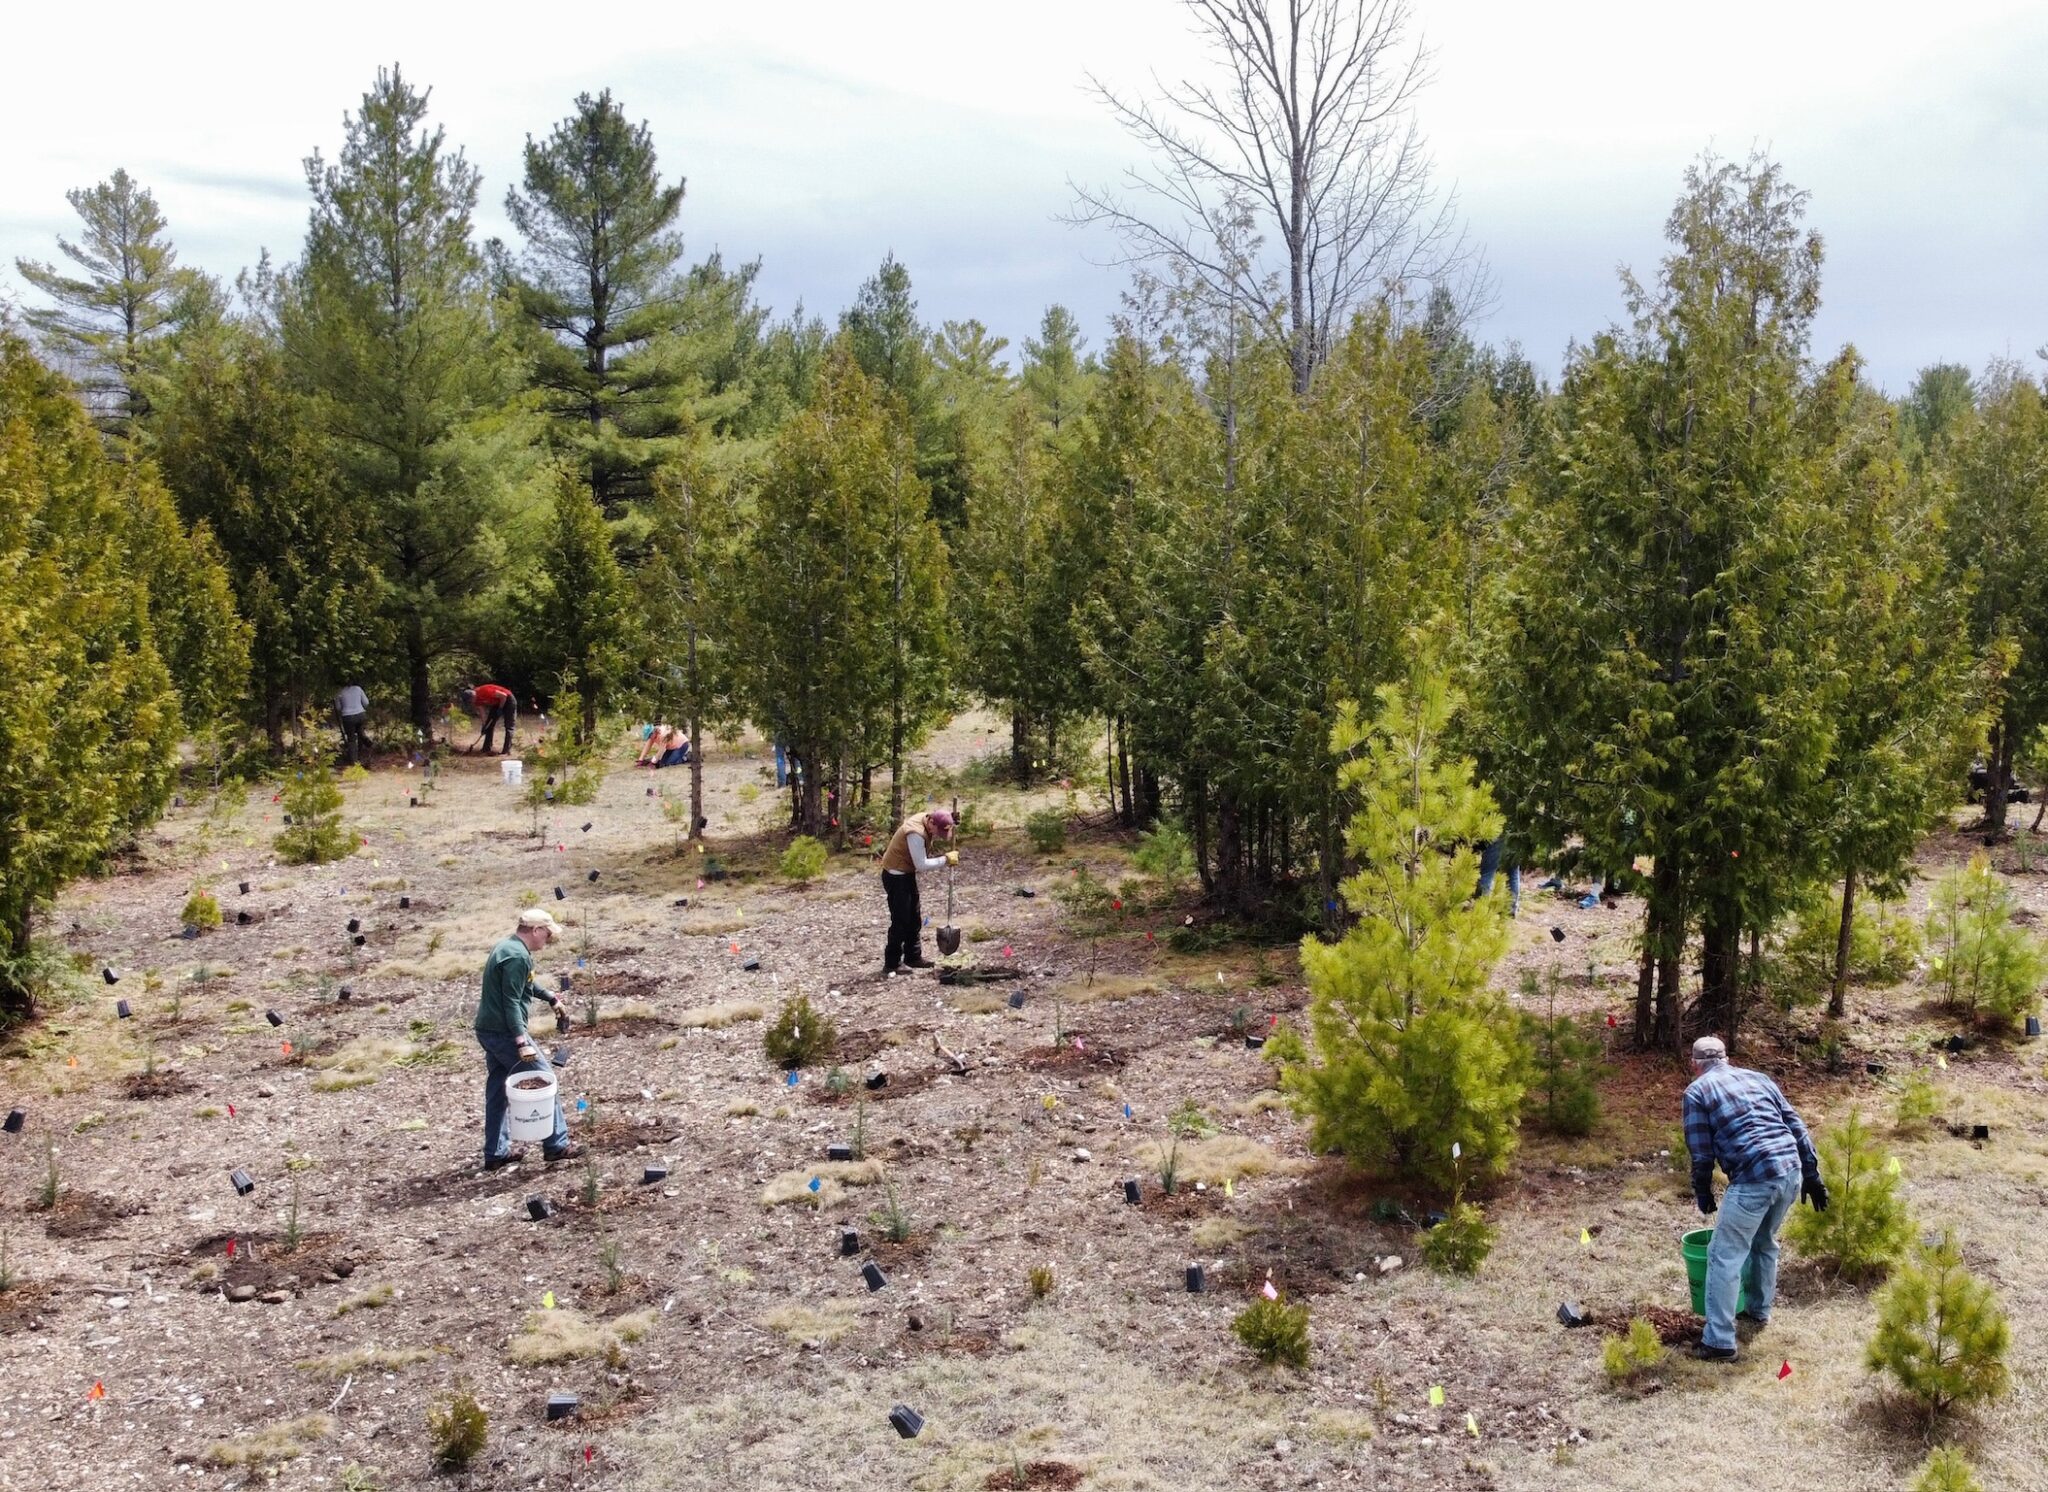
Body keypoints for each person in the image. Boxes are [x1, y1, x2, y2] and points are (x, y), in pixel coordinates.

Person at [1682, 1035, 1827, 1360]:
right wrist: (1812, 1174)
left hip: (1753, 1179)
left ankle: (1718, 1342)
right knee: (1764, 1243)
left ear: (1694, 1064)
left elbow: (1702, 1153)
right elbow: (1797, 1126)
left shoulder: (1697, 1092)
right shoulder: (1759, 1079)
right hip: (1790, 1171)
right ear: (1726, 1058)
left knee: (1723, 1256)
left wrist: (1702, 1191)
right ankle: (1759, 1311)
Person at [473, 908, 580, 1169]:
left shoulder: (507, 947)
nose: (548, 939)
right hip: (506, 1033)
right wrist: (521, 1040)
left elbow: (524, 986)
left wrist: (551, 997)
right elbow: (511, 1001)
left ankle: (495, 1153)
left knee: (498, 1089)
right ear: (535, 930)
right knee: (545, 1079)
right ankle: (556, 1144)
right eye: (547, 933)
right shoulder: (518, 957)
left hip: (488, 1029)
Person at [878, 807, 957, 975]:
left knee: (914, 917)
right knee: (900, 920)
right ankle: (891, 963)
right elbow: (921, 865)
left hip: (905, 874)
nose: (937, 835)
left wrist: (952, 818)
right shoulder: (915, 833)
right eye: (938, 831)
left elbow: (942, 816)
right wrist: (946, 859)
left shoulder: (929, 819)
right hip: (895, 875)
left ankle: (913, 957)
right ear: (931, 823)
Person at [460, 683, 518, 755]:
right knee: (489, 726)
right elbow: (482, 712)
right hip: (497, 702)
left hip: (508, 700)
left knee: (509, 726)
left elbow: (504, 696)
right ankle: (486, 748)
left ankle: (506, 751)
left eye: (470, 701)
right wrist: (484, 725)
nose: (470, 703)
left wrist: (500, 708)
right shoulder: (475, 700)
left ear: (472, 697)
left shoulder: (485, 691)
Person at [335, 682, 370, 768]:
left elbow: (338, 708)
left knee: (351, 739)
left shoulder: (339, 692)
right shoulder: (358, 688)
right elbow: (366, 703)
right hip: (360, 714)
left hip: (348, 717)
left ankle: (354, 762)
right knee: (360, 732)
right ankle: (366, 745)